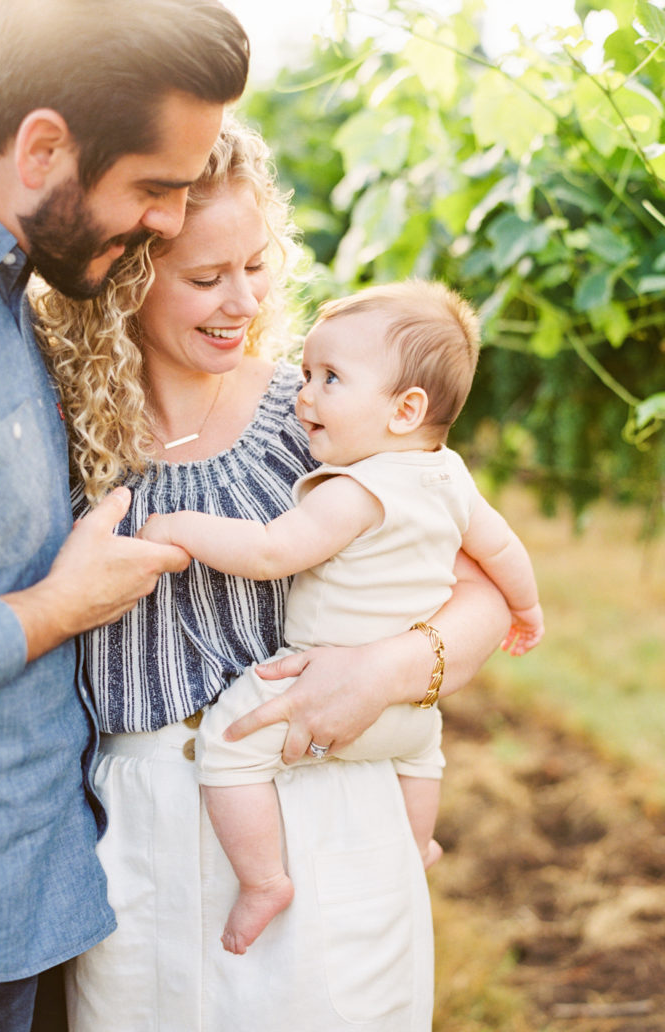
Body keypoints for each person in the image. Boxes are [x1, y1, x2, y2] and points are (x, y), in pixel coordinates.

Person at [35, 118, 511, 1032]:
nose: (243, 299)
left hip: (314, 800)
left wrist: (385, 671)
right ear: (126, 275)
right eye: (206, 278)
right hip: (132, 837)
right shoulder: (62, 431)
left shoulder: (324, 415)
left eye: (256, 264)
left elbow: (484, 590)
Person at [0, 1, 248, 1029]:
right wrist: (60, 607)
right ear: (43, 148)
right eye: (154, 188)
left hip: (26, 894)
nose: (171, 222)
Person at [141, 278, 545, 954]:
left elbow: (270, 551)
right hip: (411, 715)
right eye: (305, 374)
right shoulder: (450, 477)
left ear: (405, 409)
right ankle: (418, 845)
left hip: (317, 693)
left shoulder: (355, 489)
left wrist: (179, 527)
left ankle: (264, 880)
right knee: (423, 757)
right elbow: (502, 551)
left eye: (329, 378)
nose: (305, 395)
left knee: (229, 746)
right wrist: (526, 611)